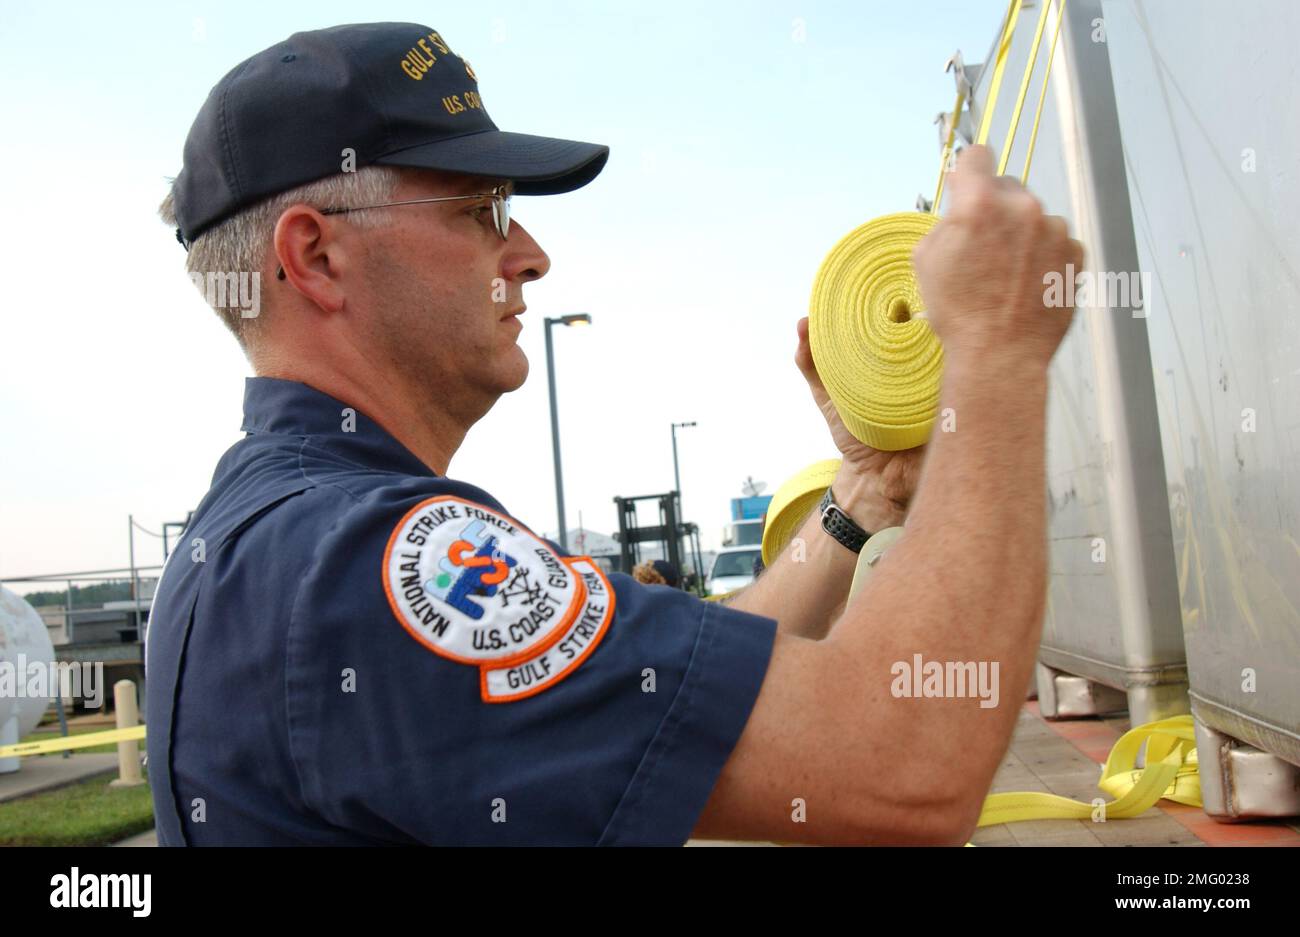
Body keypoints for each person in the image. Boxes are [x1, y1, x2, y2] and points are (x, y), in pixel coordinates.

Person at [146, 21, 1082, 846]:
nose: (531, 254)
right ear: (315, 255)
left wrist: (857, 498)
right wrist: (997, 350)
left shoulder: (273, 540)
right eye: (481, 211)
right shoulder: (368, 562)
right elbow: (900, 761)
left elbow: (681, 701)